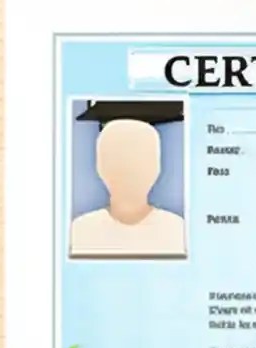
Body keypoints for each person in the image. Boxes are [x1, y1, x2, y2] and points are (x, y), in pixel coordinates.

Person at [71, 109, 186, 257]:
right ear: (100, 166)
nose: (128, 165)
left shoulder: (177, 232)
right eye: (116, 157)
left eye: (140, 156)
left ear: (156, 166)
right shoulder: (81, 232)